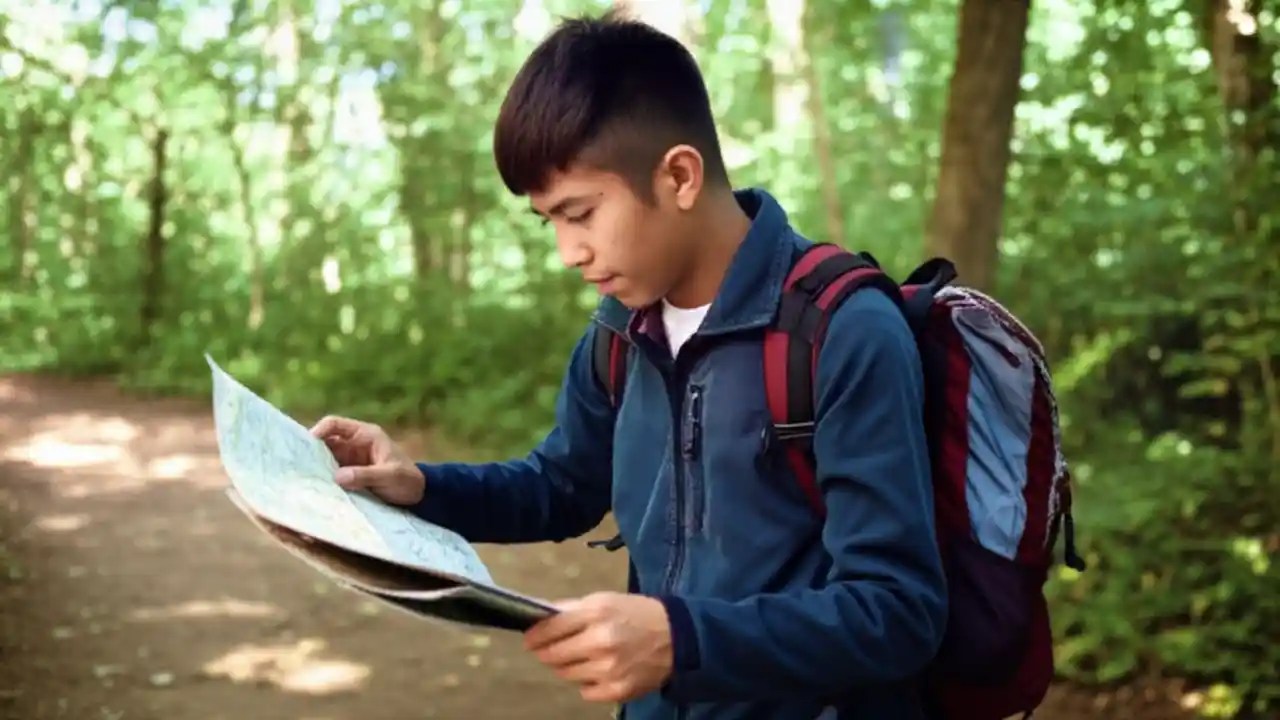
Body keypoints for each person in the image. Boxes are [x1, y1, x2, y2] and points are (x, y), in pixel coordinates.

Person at [310, 9, 948, 720]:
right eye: (547, 220)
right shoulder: (621, 332)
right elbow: (562, 485)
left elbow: (899, 611)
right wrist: (421, 486)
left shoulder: (841, 332)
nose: (567, 252)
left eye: (580, 213)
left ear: (678, 175)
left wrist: (683, 642)